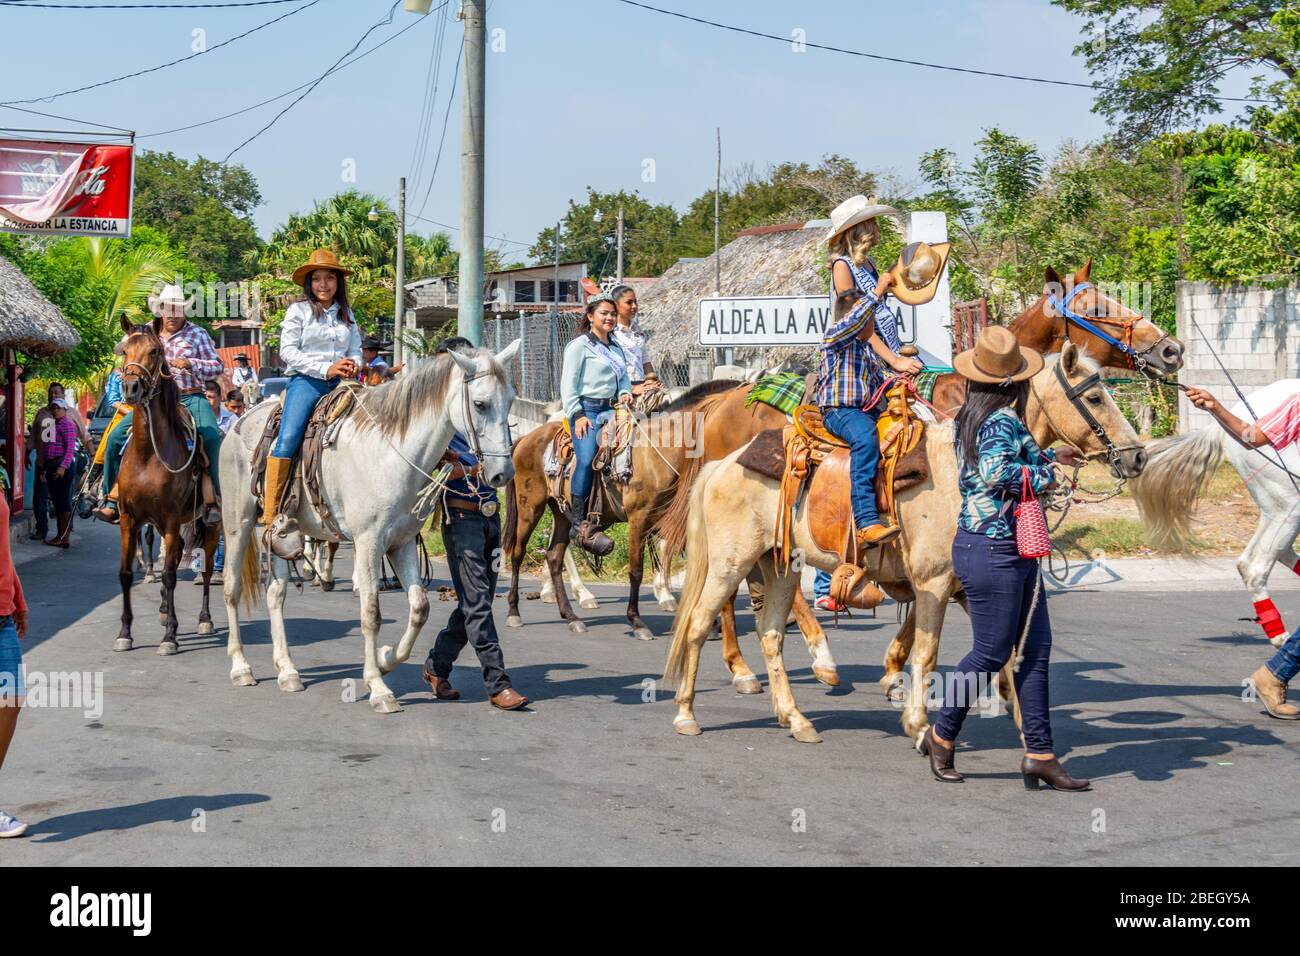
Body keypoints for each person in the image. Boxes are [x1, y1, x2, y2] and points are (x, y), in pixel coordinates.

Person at [920, 326, 1088, 791]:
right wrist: (1047, 471)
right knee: (992, 653)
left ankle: (1040, 753)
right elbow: (997, 473)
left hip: (997, 546)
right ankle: (941, 733)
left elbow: (1003, 462)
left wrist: (1050, 454)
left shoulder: (973, 417)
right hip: (996, 549)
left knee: (1034, 651)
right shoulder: (1001, 421)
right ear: (1013, 382)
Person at [420, 337, 529, 711]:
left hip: (490, 517)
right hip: (460, 516)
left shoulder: (484, 414)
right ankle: (497, 684)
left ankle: (437, 665)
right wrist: (467, 468)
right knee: (477, 602)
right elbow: (433, 470)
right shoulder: (438, 423)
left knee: (475, 600)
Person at [1184, 385, 1300, 718]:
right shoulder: (1297, 404)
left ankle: (1274, 674)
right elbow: (1252, 436)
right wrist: (1215, 407)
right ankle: (1273, 675)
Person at [818, 196, 924, 553]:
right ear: (858, 230)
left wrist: (898, 355)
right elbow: (856, 319)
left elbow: (875, 319)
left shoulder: (871, 265)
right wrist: (892, 359)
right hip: (848, 395)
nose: (877, 229)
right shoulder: (842, 268)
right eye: (872, 223)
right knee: (865, 439)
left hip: (873, 382)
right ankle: (865, 521)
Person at [95, 284, 225, 525]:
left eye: (177, 309)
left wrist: (191, 363)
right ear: (160, 311)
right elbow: (122, 349)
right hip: (153, 401)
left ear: (184, 312)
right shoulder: (148, 332)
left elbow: (218, 366)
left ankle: (215, 499)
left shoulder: (198, 334)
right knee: (114, 441)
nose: (172, 315)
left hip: (189, 396)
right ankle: (111, 499)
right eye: (167, 309)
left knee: (212, 437)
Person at [261, 249, 361, 559]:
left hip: (343, 382)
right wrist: (325, 369)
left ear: (338, 282)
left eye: (330, 278)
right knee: (288, 438)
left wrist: (352, 364)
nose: (323, 283)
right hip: (307, 381)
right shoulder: (298, 311)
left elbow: (356, 348)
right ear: (309, 283)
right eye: (317, 278)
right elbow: (288, 351)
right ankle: (271, 513)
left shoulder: (347, 314)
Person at [559, 293, 633, 556]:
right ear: (590, 316)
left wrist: (625, 392)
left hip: (611, 409)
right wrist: (577, 415)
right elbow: (568, 385)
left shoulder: (615, 347)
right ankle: (578, 523)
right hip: (586, 411)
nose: (610, 318)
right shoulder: (579, 346)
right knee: (588, 456)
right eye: (604, 313)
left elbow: (623, 378)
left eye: (612, 314)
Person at [0, 483, 30, 837]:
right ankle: (111, 493)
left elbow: (3, 549)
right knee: (113, 439)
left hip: (3, 615)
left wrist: (17, 598)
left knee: (12, 699)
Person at [88, 340, 130, 492]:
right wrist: (131, 413)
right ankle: (91, 487)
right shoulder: (117, 375)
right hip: (122, 413)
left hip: (146, 412)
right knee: (107, 443)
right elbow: (113, 401)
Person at [38, 398, 78, 548]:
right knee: (58, 503)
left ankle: (64, 537)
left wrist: (62, 467)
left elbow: (70, 450)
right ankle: (61, 535)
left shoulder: (67, 424)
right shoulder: (53, 425)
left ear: (64, 410)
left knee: (62, 503)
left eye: (58, 408)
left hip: (62, 467)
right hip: (52, 466)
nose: (55, 410)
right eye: (53, 408)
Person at [609, 284, 662, 396]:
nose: (634, 306)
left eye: (635, 302)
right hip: (620, 388)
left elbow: (645, 360)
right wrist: (630, 389)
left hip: (641, 384)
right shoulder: (611, 332)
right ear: (616, 305)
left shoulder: (637, 331)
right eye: (629, 302)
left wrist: (652, 381)